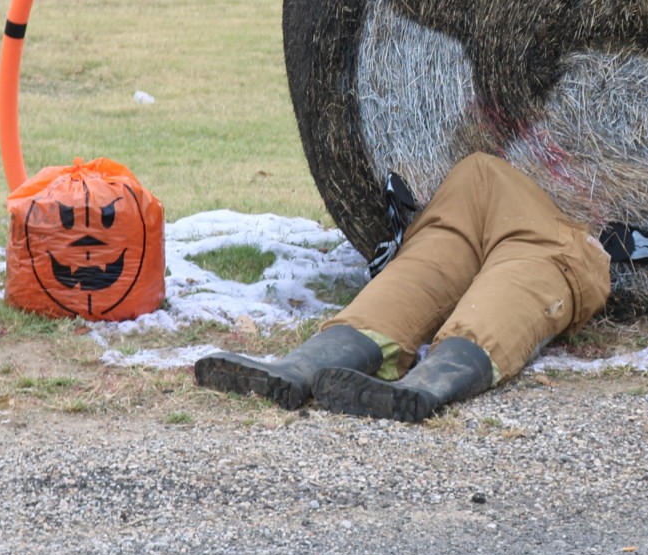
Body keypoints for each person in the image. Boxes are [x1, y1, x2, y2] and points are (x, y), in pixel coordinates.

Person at [194, 152, 613, 423]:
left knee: (423, 274)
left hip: (472, 197)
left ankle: (305, 368)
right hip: (484, 197)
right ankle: (416, 384)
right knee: (503, 278)